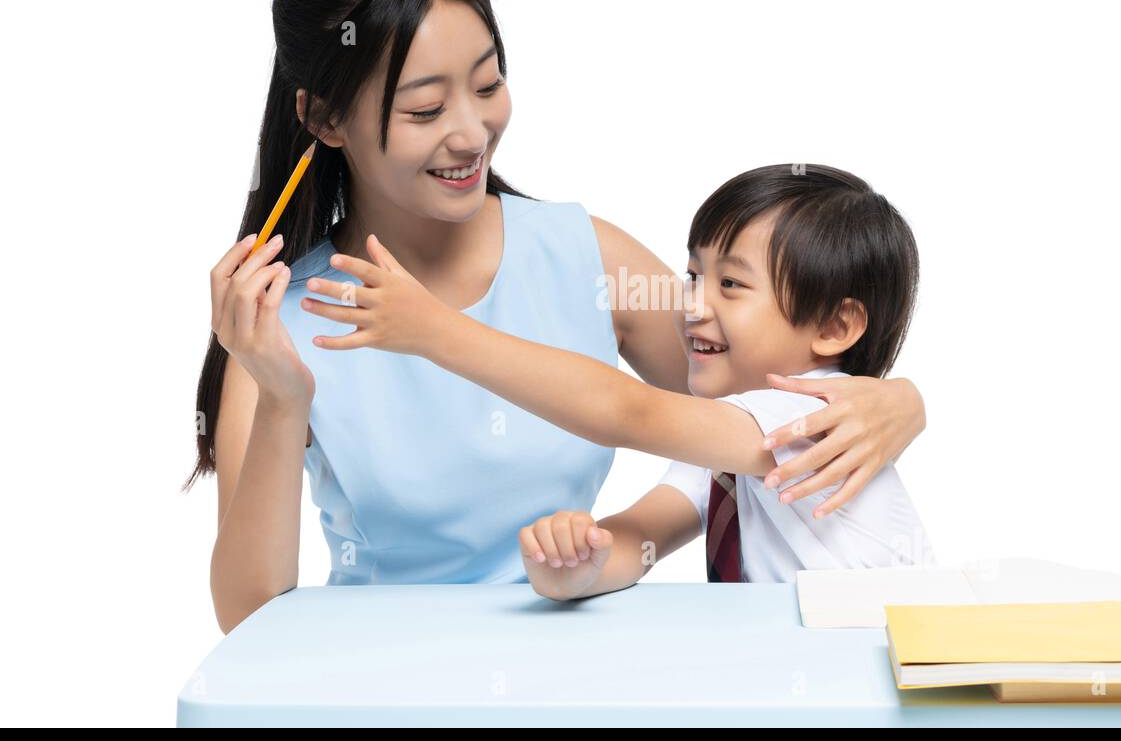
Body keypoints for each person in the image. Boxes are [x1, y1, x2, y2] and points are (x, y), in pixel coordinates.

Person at [190, 0, 927, 633]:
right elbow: (252, 617)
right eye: (424, 108)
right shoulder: (275, 325)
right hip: (385, 678)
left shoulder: (585, 257)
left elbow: (771, 379)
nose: (472, 132)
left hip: (574, 677)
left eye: (486, 86)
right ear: (324, 119)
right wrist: (285, 400)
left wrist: (899, 400)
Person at [299, 164, 937, 598]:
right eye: (694, 276)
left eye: (732, 285)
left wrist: (437, 331)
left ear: (834, 326)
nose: (691, 305)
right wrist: (579, 562)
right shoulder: (729, 443)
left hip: (885, 679)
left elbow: (626, 410)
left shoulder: (801, 418)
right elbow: (644, 538)